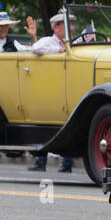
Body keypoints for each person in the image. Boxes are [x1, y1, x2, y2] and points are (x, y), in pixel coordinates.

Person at [25, 12, 74, 174]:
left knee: (71, 123)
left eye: (72, 25)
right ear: (56, 27)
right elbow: (37, 48)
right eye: (67, 25)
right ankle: (41, 161)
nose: (72, 28)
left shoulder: (73, 43)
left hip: (67, 86)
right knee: (44, 124)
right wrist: (59, 50)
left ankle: (67, 163)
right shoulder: (48, 41)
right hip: (49, 87)